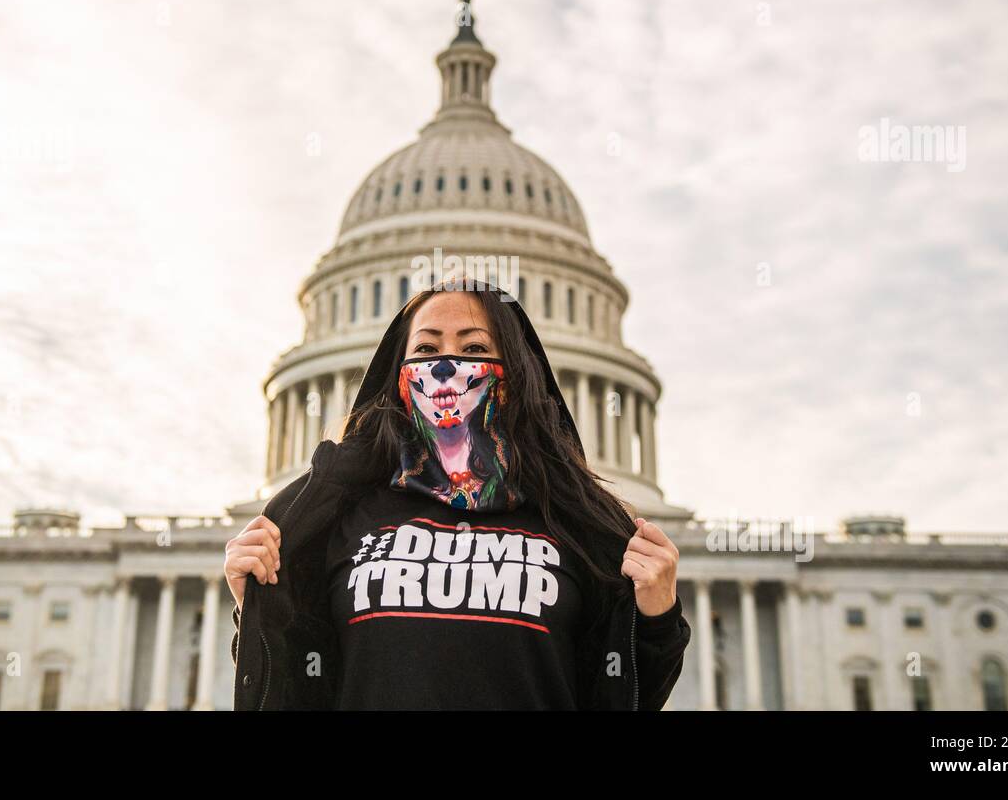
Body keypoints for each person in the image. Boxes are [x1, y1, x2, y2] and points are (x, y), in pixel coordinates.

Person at [224, 276, 690, 709]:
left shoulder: (575, 524)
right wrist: (262, 603)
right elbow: (300, 684)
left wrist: (654, 619)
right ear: (399, 374)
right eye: (427, 348)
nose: (446, 367)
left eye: (474, 346)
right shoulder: (342, 517)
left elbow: (617, 692)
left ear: (513, 372)